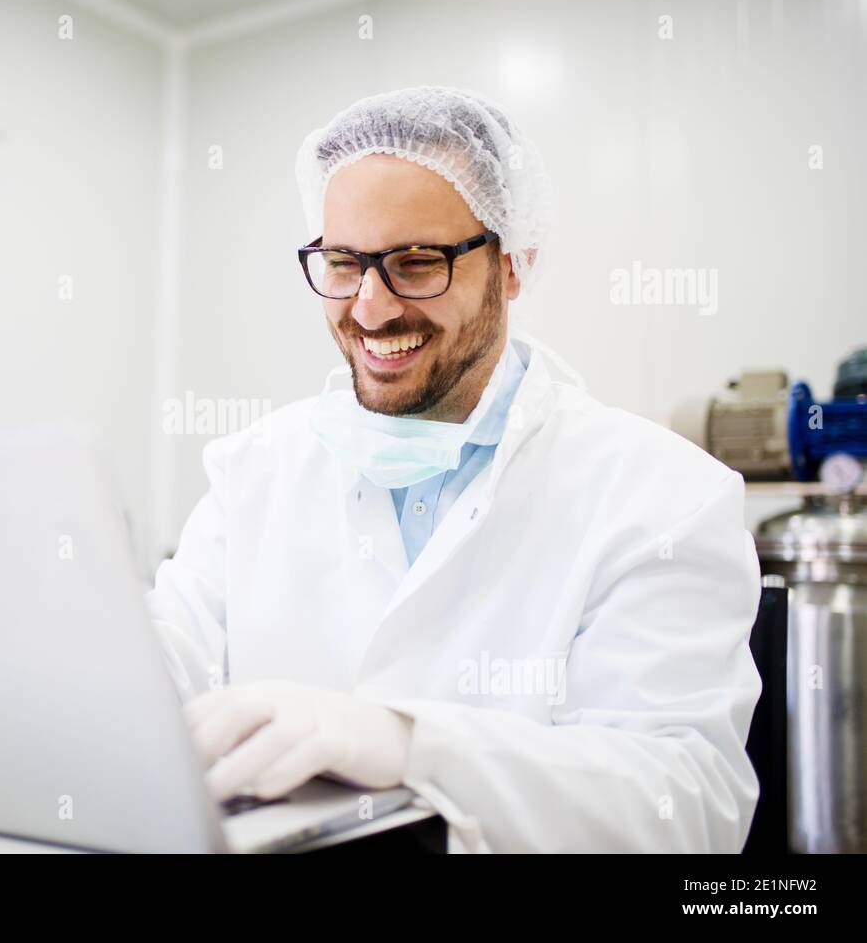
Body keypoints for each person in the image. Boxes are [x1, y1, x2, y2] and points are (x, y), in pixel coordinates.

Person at [147, 86, 761, 852]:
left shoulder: (661, 495)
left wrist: (411, 745)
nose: (370, 308)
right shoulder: (254, 472)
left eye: (416, 263)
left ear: (511, 265)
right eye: (343, 263)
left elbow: (686, 805)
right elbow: (152, 672)